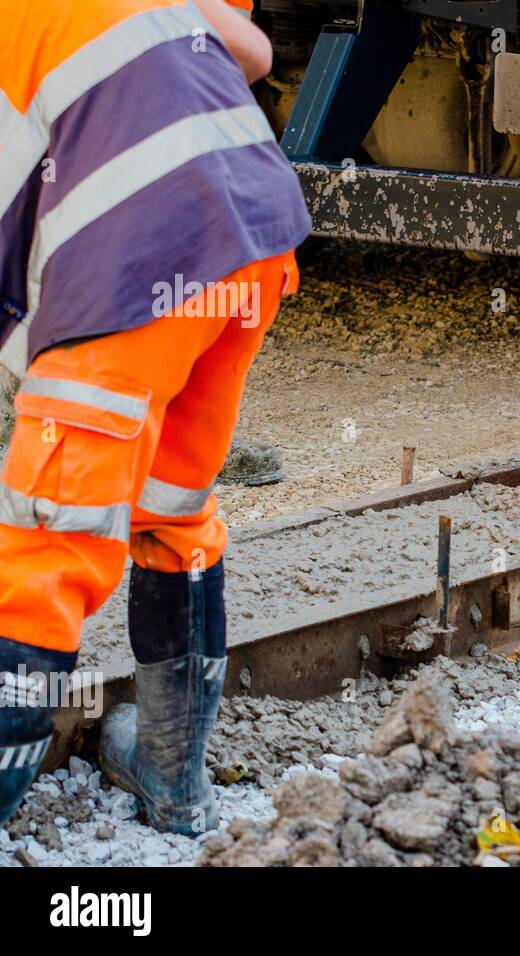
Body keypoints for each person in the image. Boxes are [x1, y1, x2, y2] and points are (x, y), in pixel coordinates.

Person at [0, 0, 310, 835]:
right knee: (171, 505)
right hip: (249, 234)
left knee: (42, 544)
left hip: (137, 254)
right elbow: (246, 46)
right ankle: (174, 781)